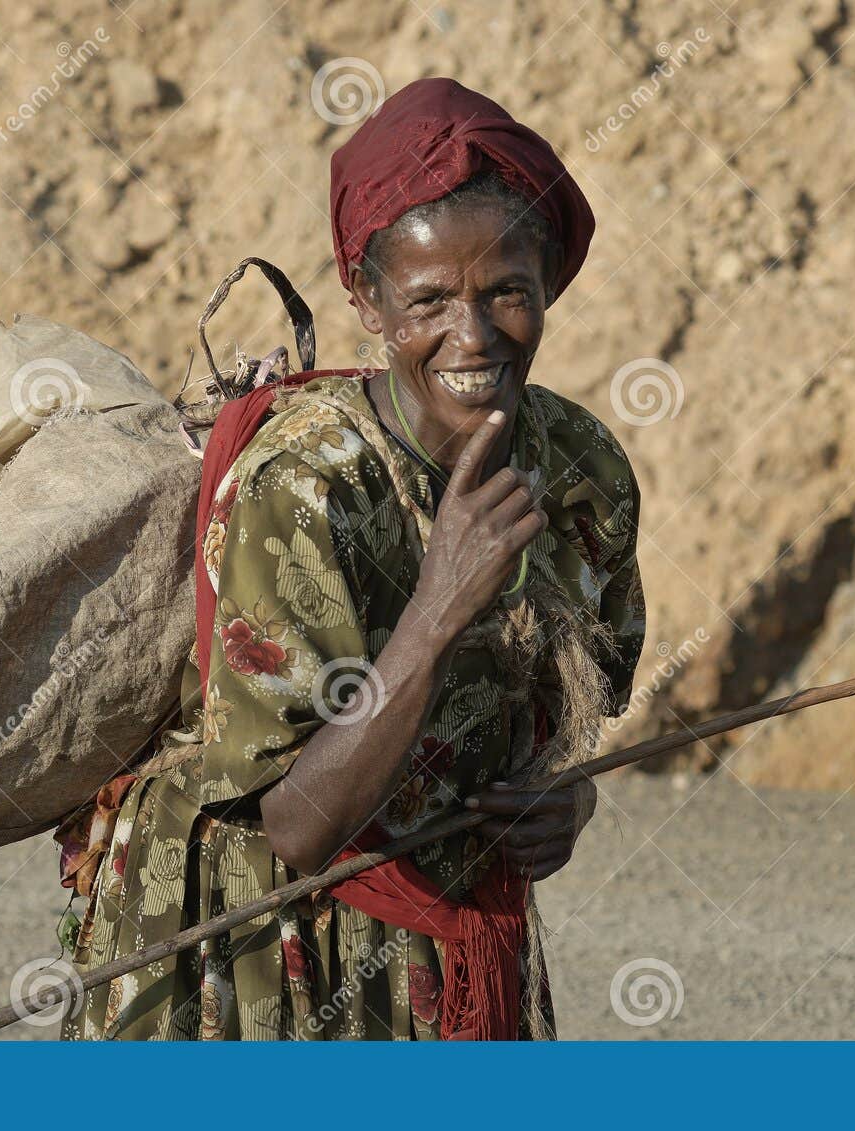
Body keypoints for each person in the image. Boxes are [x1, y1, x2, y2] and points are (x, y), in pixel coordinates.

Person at [61, 76, 644, 1041]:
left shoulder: (582, 469)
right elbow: (298, 826)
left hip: (458, 933)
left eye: (508, 291)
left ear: (549, 282)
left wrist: (564, 798)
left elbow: (573, 703)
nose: (475, 335)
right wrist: (438, 606)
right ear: (367, 304)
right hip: (267, 941)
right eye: (429, 301)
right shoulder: (305, 485)